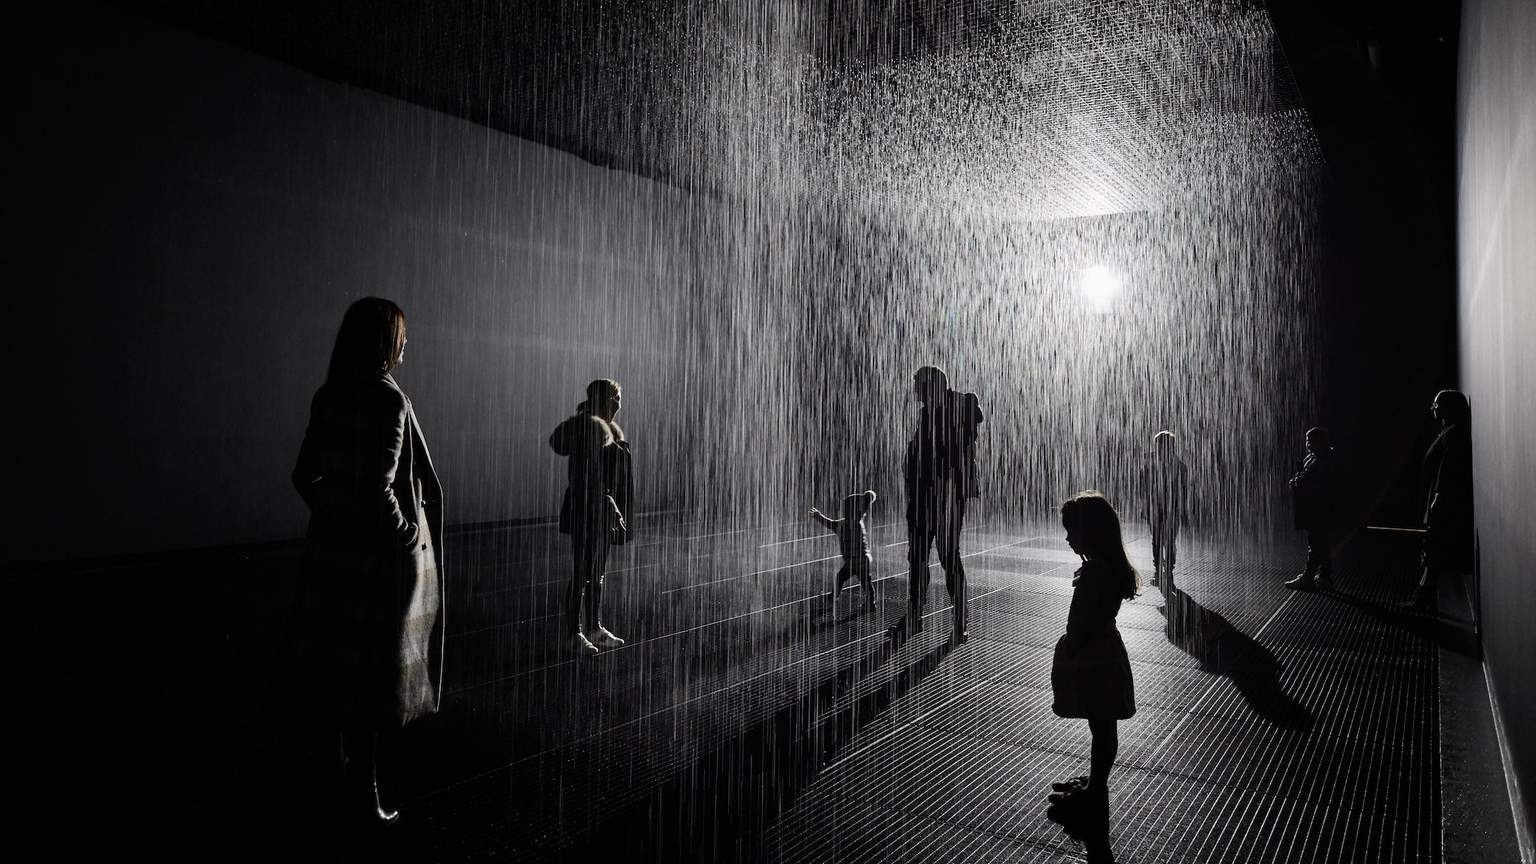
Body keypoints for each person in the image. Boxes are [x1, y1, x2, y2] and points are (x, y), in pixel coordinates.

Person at [290, 297, 445, 825]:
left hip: (330, 554)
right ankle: (365, 791)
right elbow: (381, 488)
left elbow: (303, 475)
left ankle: (339, 781)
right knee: (373, 675)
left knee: (333, 667)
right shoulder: (388, 402)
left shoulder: (329, 394)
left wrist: (334, 517)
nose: (407, 346)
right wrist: (402, 536)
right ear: (386, 341)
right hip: (373, 565)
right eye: (402, 335)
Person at [1049, 491, 1137, 815]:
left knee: (1101, 727)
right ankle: (1096, 783)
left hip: (1095, 657)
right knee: (1102, 725)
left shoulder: (1096, 573)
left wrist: (1071, 645)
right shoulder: (1103, 567)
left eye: (1072, 531)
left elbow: (1082, 620)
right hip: (1104, 653)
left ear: (1091, 533)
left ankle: (1096, 792)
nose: (1067, 538)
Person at [889, 366, 984, 646]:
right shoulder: (927, 411)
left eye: (919, 385)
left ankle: (958, 619)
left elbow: (969, 427)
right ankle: (916, 611)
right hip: (922, 494)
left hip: (945, 494)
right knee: (917, 555)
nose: (915, 391)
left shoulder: (960, 404)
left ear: (933, 386)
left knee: (947, 555)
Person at [549, 379, 633, 653]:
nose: (618, 404)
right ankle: (573, 635)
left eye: (619, 398)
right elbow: (585, 476)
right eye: (614, 398)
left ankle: (594, 628)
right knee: (582, 573)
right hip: (587, 510)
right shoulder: (588, 428)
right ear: (602, 399)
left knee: (596, 574)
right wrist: (606, 501)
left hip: (602, 513)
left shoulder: (607, 430)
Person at [1402, 390, 1472, 610]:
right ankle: (1423, 597)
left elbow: (1447, 470)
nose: (1433, 409)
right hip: (1440, 500)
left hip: (1443, 502)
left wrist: (1437, 500)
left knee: (1433, 550)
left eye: (1436, 405)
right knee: (1432, 550)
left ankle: (1423, 598)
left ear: (1448, 408)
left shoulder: (1452, 435)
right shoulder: (1449, 432)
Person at [810, 490, 878, 615]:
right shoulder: (856, 524)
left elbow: (830, 524)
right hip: (862, 560)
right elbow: (831, 524)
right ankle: (870, 603)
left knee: (842, 578)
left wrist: (818, 516)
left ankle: (832, 598)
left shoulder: (845, 525)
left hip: (854, 561)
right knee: (865, 582)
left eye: (846, 509)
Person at [1285, 426, 1335, 590]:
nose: (1307, 443)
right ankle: (1324, 576)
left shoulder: (1322, 460)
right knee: (1321, 541)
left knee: (1316, 542)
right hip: (1318, 506)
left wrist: (1297, 482)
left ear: (1319, 441)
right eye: (1307, 440)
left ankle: (1309, 576)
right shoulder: (1316, 457)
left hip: (1318, 507)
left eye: (1310, 440)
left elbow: (1309, 481)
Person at [1141, 431, 1188, 594]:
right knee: (1161, 540)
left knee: (1163, 541)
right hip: (1162, 508)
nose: (1159, 448)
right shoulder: (1177, 466)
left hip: (1166, 508)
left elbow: (1144, 487)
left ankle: (1164, 570)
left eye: (1162, 445)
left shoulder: (1177, 466)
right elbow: (1144, 487)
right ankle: (1163, 570)